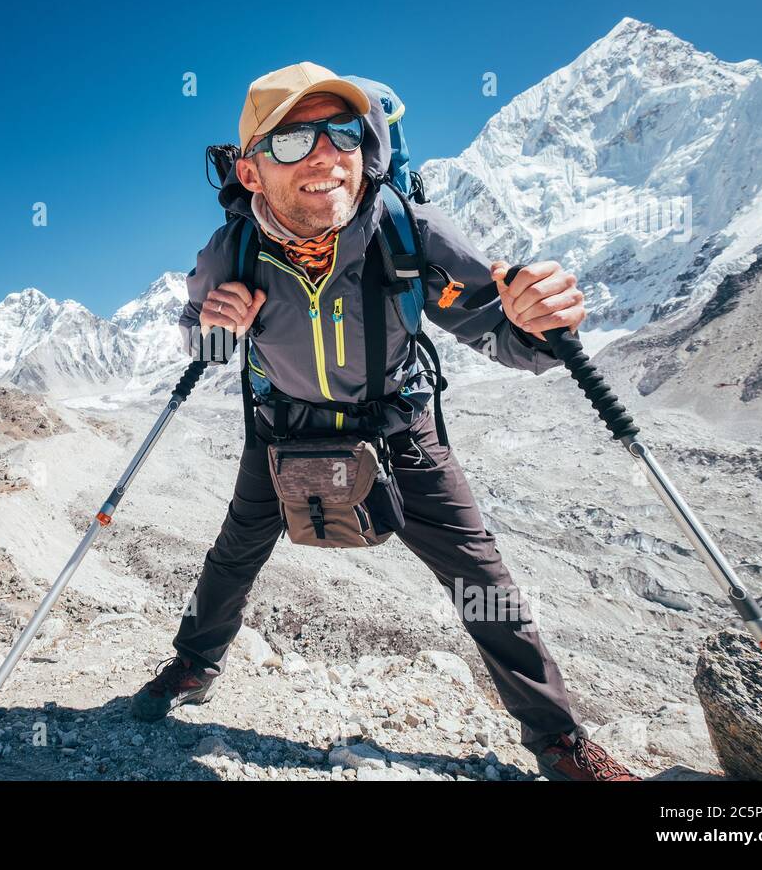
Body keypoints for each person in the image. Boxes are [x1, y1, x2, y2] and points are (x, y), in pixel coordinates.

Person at [129, 62, 638, 781]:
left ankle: (558, 738)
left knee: (479, 577)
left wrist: (534, 323)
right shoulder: (230, 252)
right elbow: (205, 346)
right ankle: (193, 664)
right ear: (250, 173)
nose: (325, 155)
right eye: (291, 142)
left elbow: (498, 331)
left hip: (401, 429)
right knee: (233, 558)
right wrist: (215, 324)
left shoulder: (409, 231)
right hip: (279, 428)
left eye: (341, 132)